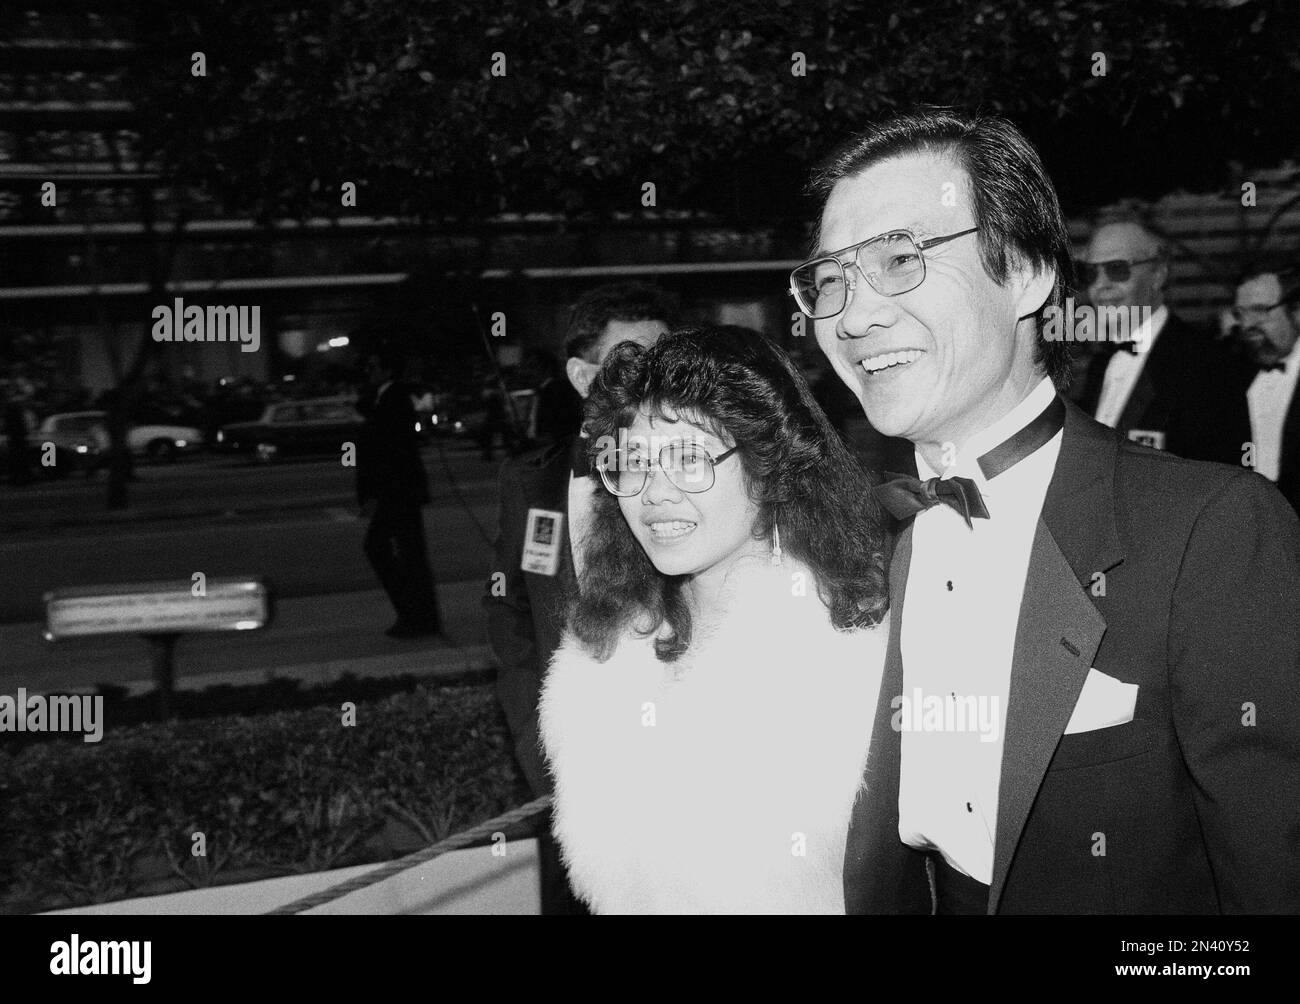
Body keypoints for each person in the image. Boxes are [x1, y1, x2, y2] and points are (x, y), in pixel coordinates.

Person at [793, 108, 1300, 914]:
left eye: (900, 259)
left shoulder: (1212, 532)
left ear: (1026, 271)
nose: (853, 316)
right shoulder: (859, 545)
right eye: (829, 279)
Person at [538, 327, 889, 914]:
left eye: (689, 459)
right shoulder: (608, 656)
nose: (654, 493)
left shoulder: (852, 653)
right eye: (632, 463)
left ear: (768, 463)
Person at [485, 280, 674, 914]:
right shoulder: (531, 480)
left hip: (681, 774)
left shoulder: (704, 475)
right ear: (580, 374)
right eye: (629, 360)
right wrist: (533, 746)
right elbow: (510, 611)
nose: (650, 377)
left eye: (664, 359)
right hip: (571, 777)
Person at [1077, 215, 1250, 464]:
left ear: (1158, 274)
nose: (1100, 286)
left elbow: (1226, 479)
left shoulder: (1207, 365)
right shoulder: (1099, 364)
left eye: (1117, 269)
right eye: (1090, 273)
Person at [356, 346, 441, 638]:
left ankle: (416, 615)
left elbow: (388, 452)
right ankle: (417, 616)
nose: (368, 371)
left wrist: (375, 494)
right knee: (406, 554)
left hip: (398, 491)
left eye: (373, 366)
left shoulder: (394, 399)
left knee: (392, 551)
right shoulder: (384, 398)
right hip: (397, 491)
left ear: (387, 370)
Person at [1229, 265, 1300, 515]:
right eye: (1241, 313)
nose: (1247, 324)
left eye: (1260, 310)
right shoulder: (1228, 372)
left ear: (1296, 310)